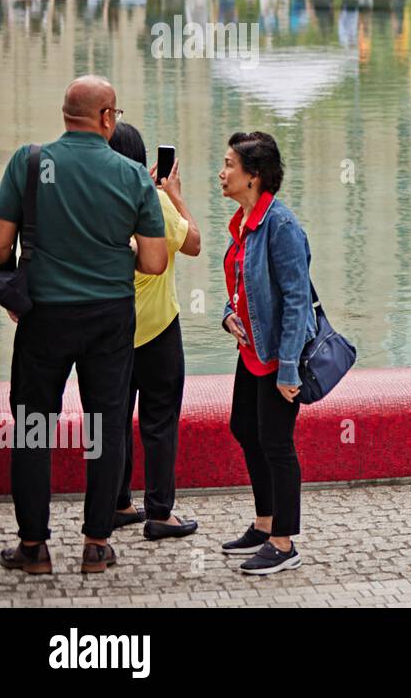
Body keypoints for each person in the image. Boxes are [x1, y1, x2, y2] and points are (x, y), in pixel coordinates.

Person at [0, 77, 167, 575]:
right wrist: (116, 252)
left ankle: (33, 547)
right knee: (105, 425)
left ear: (66, 114)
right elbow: (155, 262)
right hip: (110, 316)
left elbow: (0, 248)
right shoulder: (131, 175)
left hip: (44, 315)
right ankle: (96, 543)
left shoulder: (28, 163)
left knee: (32, 427)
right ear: (108, 117)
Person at [218, 132, 314, 575]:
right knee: (245, 427)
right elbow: (240, 283)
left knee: (277, 442)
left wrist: (289, 367)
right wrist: (226, 315)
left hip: (278, 354)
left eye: (229, 165)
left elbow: (296, 300)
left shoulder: (281, 225)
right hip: (250, 348)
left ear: (253, 176)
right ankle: (264, 522)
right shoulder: (243, 221)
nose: (222, 173)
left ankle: (283, 542)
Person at [106, 123, 201, 542]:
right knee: (159, 421)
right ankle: (160, 513)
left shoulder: (94, 203)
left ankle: (117, 503)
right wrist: (175, 194)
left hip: (109, 332)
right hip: (158, 330)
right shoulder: (154, 202)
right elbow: (194, 242)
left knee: (111, 419)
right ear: (144, 163)